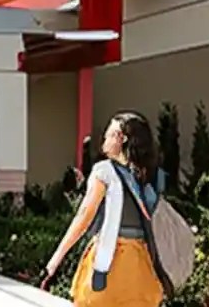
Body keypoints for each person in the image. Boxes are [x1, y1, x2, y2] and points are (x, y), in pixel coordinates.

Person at [44, 111, 164, 306]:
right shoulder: (147, 175)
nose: (104, 139)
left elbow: (84, 216)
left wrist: (56, 259)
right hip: (141, 264)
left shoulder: (105, 171)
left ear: (121, 138)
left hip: (111, 260)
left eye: (109, 134)